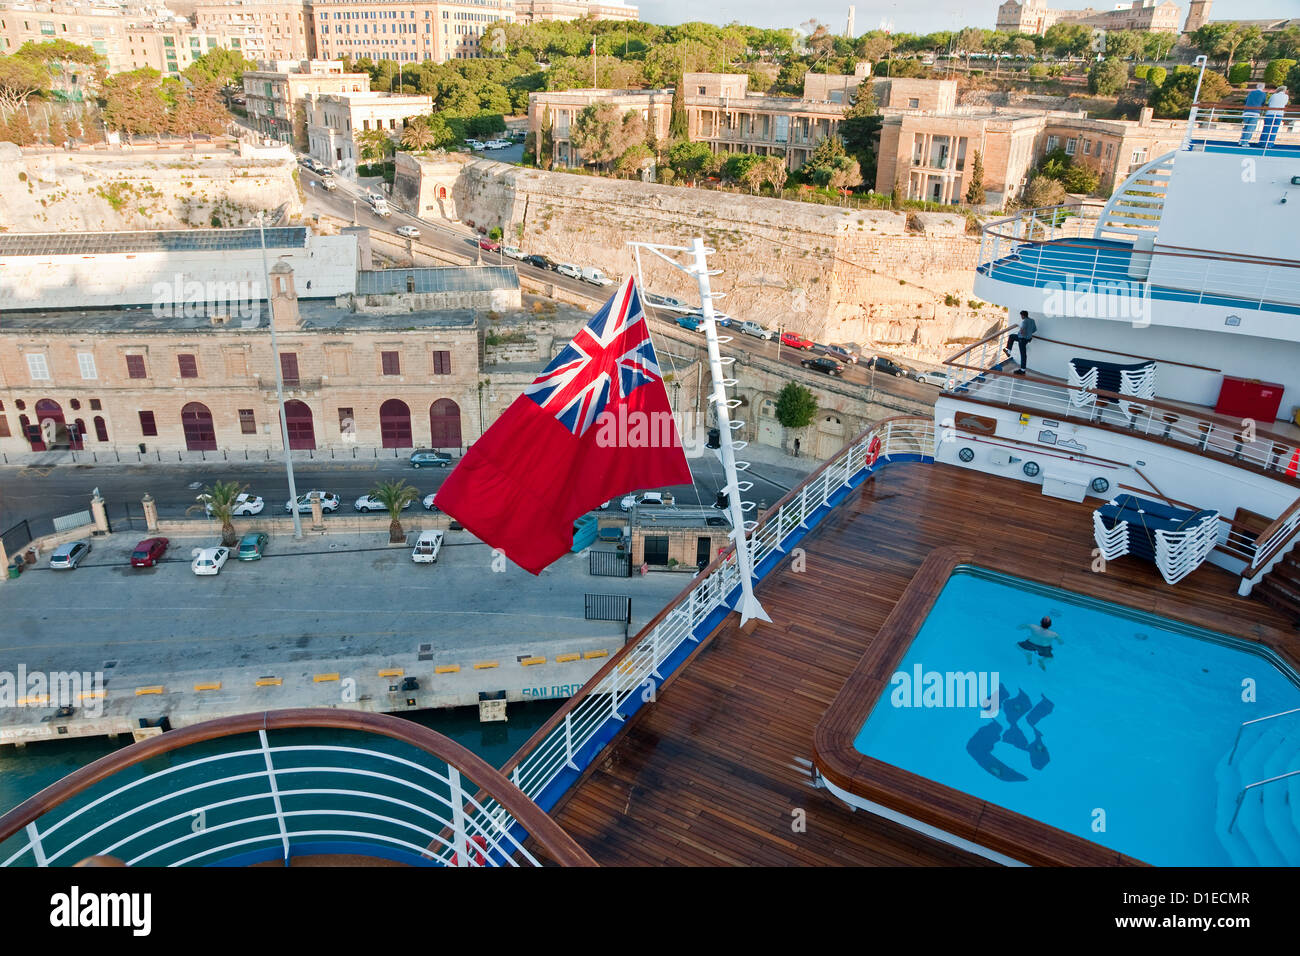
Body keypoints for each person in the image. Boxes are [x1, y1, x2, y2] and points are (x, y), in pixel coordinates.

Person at [1003, 310, 1037, 375]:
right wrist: (1028, 334)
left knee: (1023, 355)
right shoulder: (1032, 320)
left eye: (1021, 315)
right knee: (1012, 336)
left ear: (1023, 315)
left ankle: (1022, 370)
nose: (1021, 317)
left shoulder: (1024, 322)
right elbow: (1034, 330)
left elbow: (1022, 331)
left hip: (1022, 339)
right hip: (1028, 339)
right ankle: (1008, 351)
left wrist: (1023, 333)